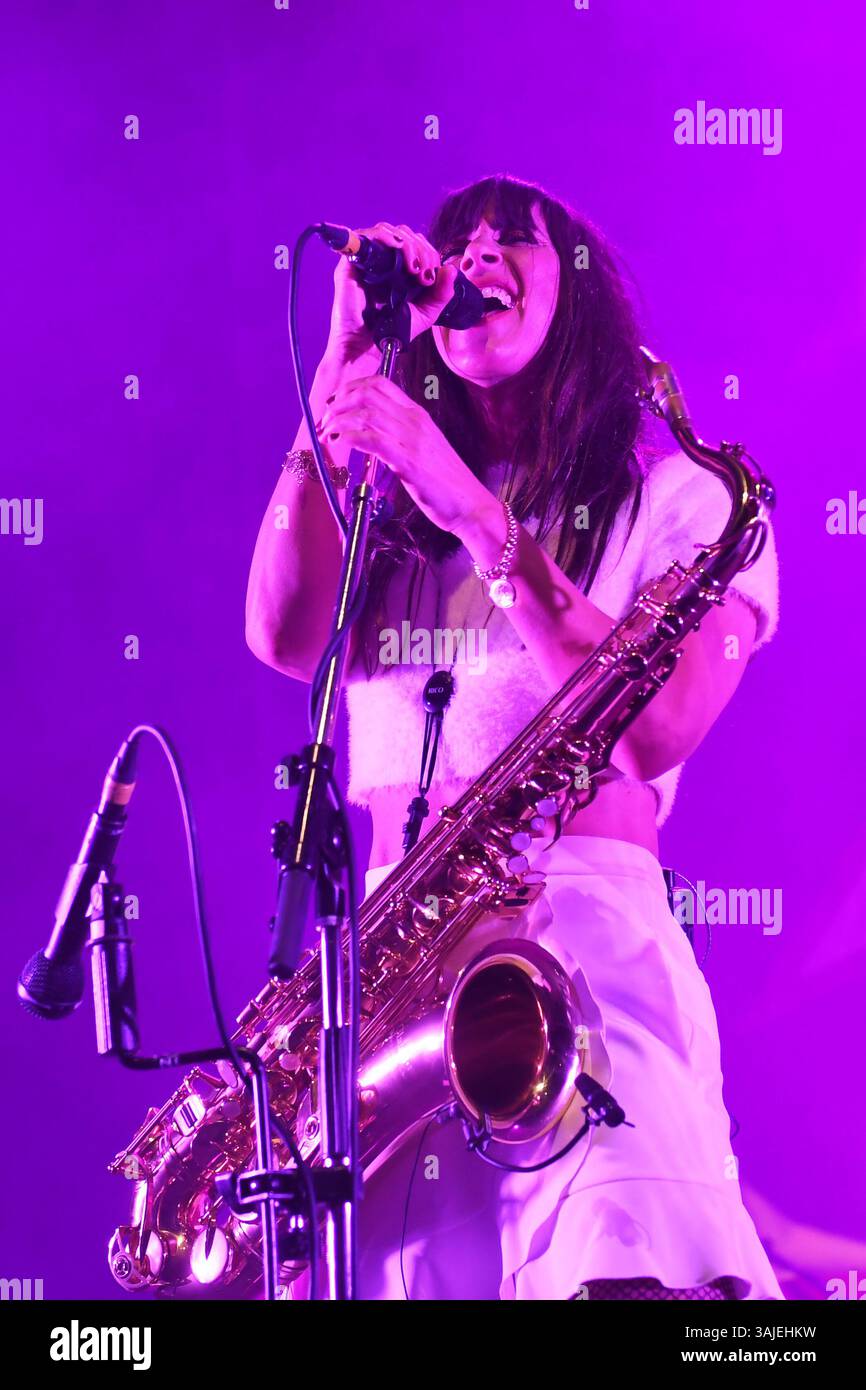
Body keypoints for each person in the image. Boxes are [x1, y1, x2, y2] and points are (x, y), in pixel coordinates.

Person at [245, 174, 783, 1300]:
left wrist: (476, 516)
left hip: (576, 941)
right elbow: (280, 629)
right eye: (459, 241)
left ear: (574, 292)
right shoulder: (394, 520)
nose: (476, 254)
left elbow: (660, 728)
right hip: (392, 976)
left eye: (511, 240)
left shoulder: (677, 496)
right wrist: (340, 377)